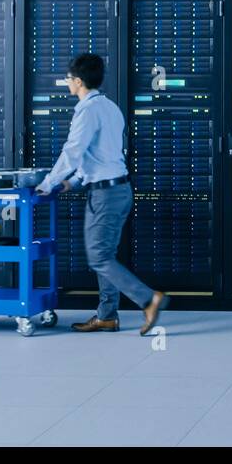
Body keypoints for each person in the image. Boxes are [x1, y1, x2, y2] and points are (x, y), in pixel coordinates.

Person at [35, 53, 169, 335]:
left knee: (98, 257)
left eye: (69, 79)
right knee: (106, 255)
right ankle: (107, 316)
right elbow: (100, 155)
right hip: (118, 189)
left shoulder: (87, 110)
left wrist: (48, 183)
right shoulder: (110, 107)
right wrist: (73, 183)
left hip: (106, 195)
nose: (67, 83)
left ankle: (148, 298)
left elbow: (74, 151)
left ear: (79, 81)